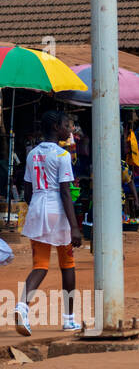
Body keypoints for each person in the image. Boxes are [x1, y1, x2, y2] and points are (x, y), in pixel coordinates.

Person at [15, 111, 83, 336]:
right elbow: (65, 193)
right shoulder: (62, 155)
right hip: (57, 212)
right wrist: (74, 227)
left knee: (40, 265)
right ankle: (69, 319)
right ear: (56, 127)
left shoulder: (32, 153)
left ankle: (22, 306)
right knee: (68, 264)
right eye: (66, 125)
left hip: (37, 209)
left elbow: (26, 190)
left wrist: (37, 206)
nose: (70, 129)